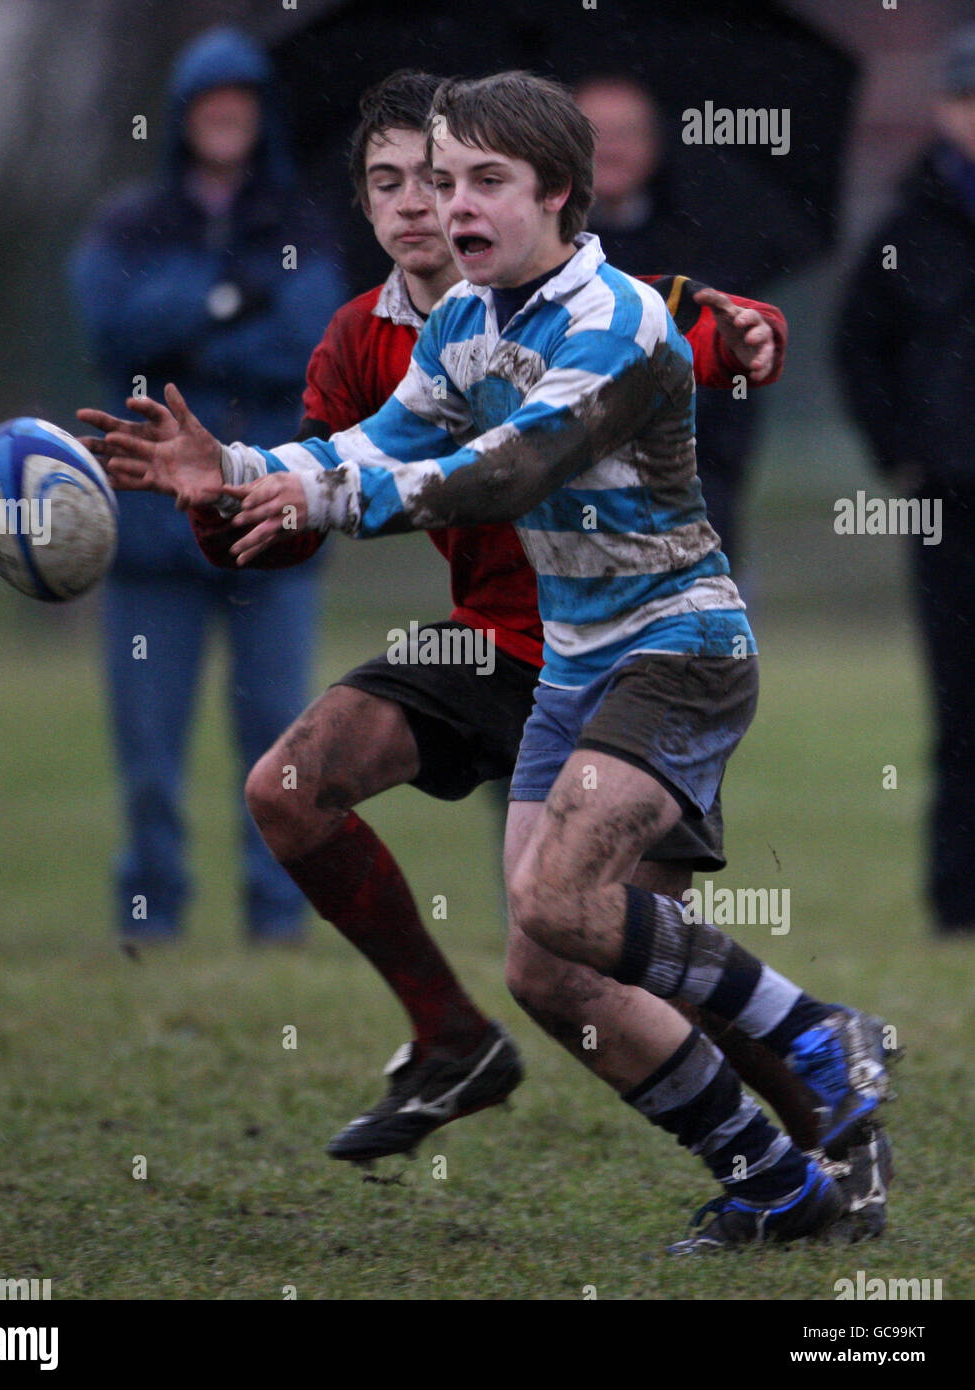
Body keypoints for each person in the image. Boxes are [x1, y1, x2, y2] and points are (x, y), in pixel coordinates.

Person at [85, 72, 894, 1251]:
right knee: (550, 965)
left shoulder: (616, 319)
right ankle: (781, 1186)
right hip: (570, 661)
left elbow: (504, 471)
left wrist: (742, 330)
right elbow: (372, 442)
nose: (446, 205)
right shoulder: (464, 321)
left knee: (563, 899)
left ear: (559, 192)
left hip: (677, 646)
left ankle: (822, 1032)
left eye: (480, 183)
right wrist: (241, 466)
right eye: (430, 180)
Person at [69, 27, 343, 943]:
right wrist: (232, 298)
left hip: (269, 520)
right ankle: (151, 916)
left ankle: (275, 924)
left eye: (240, 102)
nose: (224, 118)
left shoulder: (302, 224)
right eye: (207, 103)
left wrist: (186, 318)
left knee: (277, 746)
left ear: (259, 116)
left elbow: (309, 340)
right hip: (150, 531)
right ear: (183, 117)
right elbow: (111, 328)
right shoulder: (128, 223)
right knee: (149, 753)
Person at [834, 24, 975, 938]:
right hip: (952, 502)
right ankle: (960, 905)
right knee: (963, 708)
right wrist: (905, 455)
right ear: (943, 110)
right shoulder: (908, 229)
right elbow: (859, 352)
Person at [574, 75, 801, 567]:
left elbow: (736, 379)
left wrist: (714, 479)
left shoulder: (706, 248)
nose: (609, 149)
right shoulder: (521, 261)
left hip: (688, 500)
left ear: (655, 146)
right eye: (592, 135)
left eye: (626, 133)